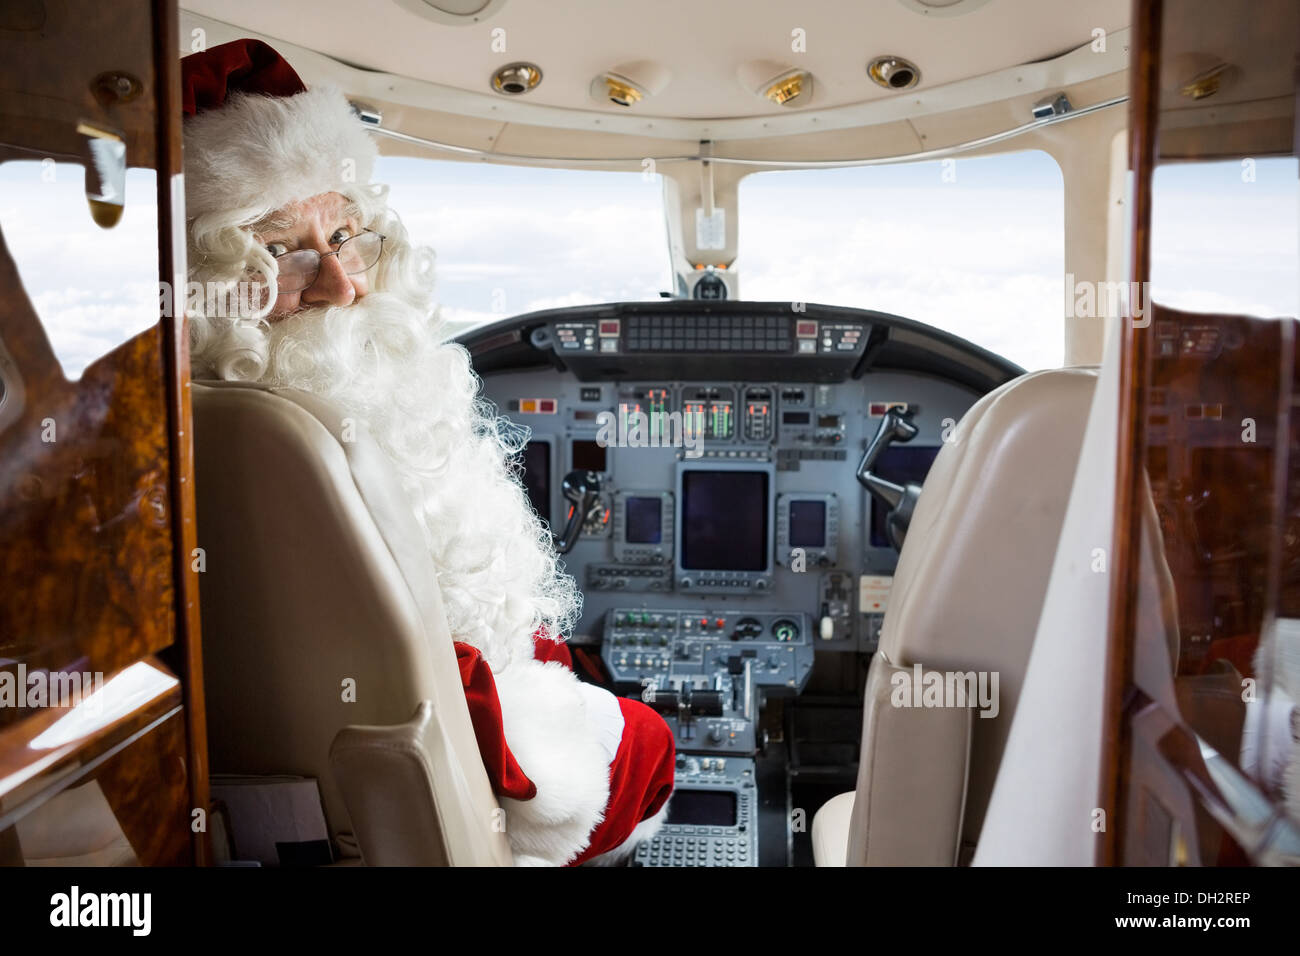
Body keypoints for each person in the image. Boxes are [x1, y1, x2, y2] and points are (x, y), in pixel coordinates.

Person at [180, 38, 674, 866]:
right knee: (648, 747)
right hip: (451, 806)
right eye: (280, 253)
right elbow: (440, 690)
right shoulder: (321, 453)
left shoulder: (177, 440)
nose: (344, 286)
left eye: (344, 235)